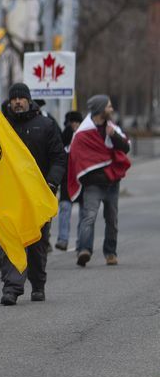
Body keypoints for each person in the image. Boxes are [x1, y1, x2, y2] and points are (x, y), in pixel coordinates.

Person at [0, 83, 66, 305]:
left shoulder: (45, 125)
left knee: (36, 244)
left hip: (37, 196)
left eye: (21, 98)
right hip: (9, 196)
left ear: (28, 100)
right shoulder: (1, 127)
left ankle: (38, 284)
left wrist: (52, 183)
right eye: (14, 98)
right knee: (10, 241)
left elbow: (58, 157)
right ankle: (12, 287)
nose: (17, 102)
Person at [69, 94, 131, 268]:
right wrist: (95, 177)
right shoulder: (83, 133)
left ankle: (110, 253)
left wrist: (114, 137)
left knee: (112, 219)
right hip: (93, 184)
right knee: (88, 217)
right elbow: (78, 159)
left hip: (112, 183)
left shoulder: (112, 128)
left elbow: (125, 147)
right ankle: (84, 250)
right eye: (109, 106)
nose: (111, 109)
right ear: (100, 109)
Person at [55, 111, 84, 251]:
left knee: (84, 212)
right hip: (67, 179)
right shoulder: (64, 137)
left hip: (83, 179)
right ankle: (63, 239)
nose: (74, 125)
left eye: (76, 122)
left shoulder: (85, 136)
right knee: (65, 208)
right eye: (72, 122)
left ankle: (82, 242)